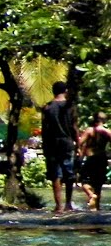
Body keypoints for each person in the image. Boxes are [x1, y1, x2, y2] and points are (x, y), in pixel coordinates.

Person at [40, 82, 77, 211]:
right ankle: (68, 204)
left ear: (53, 91)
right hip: (67, 142)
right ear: (65, 90)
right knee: (69, 174)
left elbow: (44, 129)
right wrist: (77, 142)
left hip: (52, 143)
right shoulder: (70, 106)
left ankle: (58, 206)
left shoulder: (47, 107)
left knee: (56, 175)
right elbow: (74, 127)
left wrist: (44, 145)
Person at [76, 112, 110, 210]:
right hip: (102, 159)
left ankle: (91, 195)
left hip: (91, 158)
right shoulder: (107, 132)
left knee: (83, 180)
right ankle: (96, 207)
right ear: (104, 120)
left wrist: (78, 152)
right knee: (98, 184)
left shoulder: (90, 130)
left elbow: (80, 142)